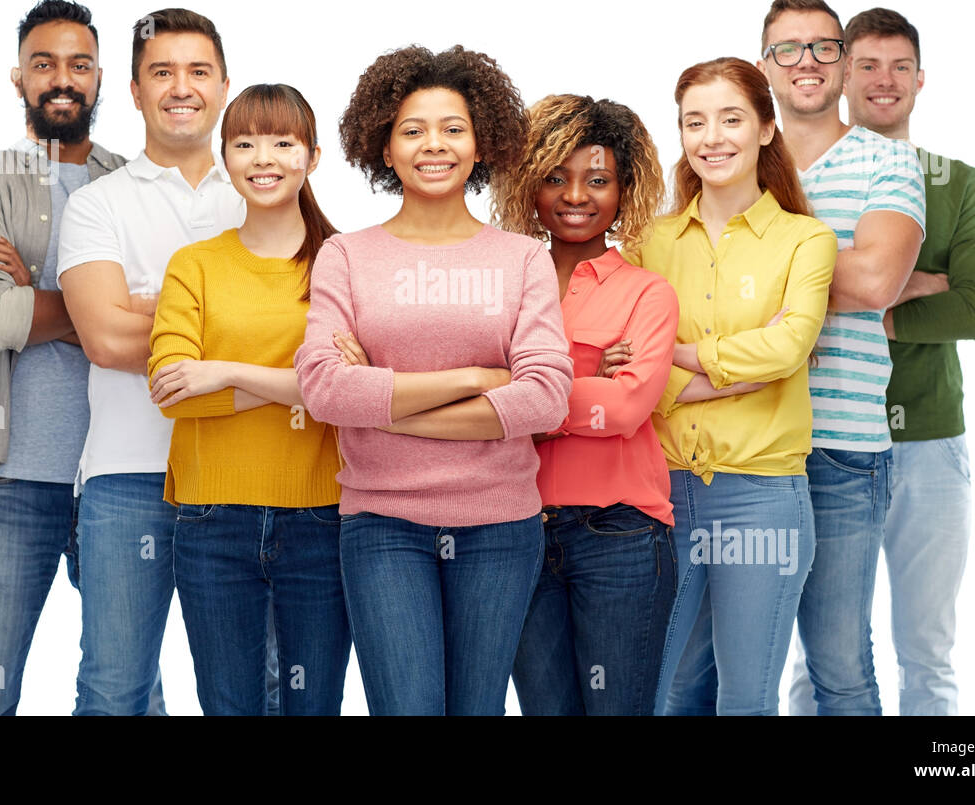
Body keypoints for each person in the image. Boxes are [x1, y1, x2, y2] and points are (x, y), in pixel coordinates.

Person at [294, 45, 574, 716]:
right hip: (382, 521)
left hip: (500, 524)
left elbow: (544, 395)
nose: (433, 145)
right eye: (412, 130)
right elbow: (324, 387)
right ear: (384, 149)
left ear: (481, 144)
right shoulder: (347, 255)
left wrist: (383, 404)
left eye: (453, 128)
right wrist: (476, 377)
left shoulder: (522, 257)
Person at [626, 57, 835, 715]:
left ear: (767, 129)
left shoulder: (807, 240)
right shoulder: (646, 242)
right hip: (662, 493)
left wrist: (678, 356)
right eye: (695, 121)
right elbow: (621, 365)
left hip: (762, 497)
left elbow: (789, 345)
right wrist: (735, 371)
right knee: (658, 695)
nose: (712, 136)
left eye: (731, 118)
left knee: (745, 699)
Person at [58, 8, 245, 715]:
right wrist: (229, 328)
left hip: (241, 477)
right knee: (113, 692)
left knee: (245, 694)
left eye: (198, 71)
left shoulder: (260, 197)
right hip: (127, 475)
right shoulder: (97, 206)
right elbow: (103, 338)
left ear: (224, 85)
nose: (181, 87)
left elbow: (299, 338)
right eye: (161, 72)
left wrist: (155, 304)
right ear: (134, 91)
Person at [0, 0, 126, 715]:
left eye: (78, 64)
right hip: (10, 478)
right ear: (17, 77)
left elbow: (170, 320)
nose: (62, 78)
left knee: (130, 692)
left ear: (100, 77)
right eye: (43, 63)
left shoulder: (135, 185)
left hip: (120, 480)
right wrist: (97, 311)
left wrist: (39, 295)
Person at [147, 84, 350, 715]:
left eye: (283, 142)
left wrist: (226, 372)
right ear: (225, 156)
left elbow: (350, 394)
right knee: (229, 707)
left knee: (311, 706)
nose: (264, 158)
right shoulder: (195, 265)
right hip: (211, 518)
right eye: (245, 143)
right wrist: (300, 384)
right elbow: (173, 391)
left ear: (312, 156)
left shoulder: (345, 262)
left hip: (324, 514)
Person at [751, 0, 927, 717]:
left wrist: (757, 272)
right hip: (746, 446)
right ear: (766, 65)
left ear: (843, 62)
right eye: (787, 49)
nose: (807, 62)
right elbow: (692, 286)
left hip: (843, 448)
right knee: (726, 660)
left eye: (824, 47)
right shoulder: (738, 157)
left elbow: (879, 279)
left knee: (840, 664)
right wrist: (831, 263)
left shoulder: (887, 163)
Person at [492, 94, 679, 715]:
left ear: (625, 189)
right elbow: (476, 404)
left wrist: (530, 390)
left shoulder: (648, 293)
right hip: (515, 532)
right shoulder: (505, 285)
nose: (575, 195)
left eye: (597, 179)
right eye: (556, 177)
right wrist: (584, 373)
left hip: (620, 532)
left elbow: (625, 411)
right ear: (530, 185)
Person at [842, 7, 975, 715]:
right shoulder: (809, 180)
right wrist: (918, 282)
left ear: (921, 79)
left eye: (899, 66)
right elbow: (787, 304)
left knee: (927, 653)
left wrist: (869, 296)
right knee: (826, 650)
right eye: (867, 64)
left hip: (930, 442)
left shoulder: (957, 183)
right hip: (828, 439)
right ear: (842, 75)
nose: (884, 80)